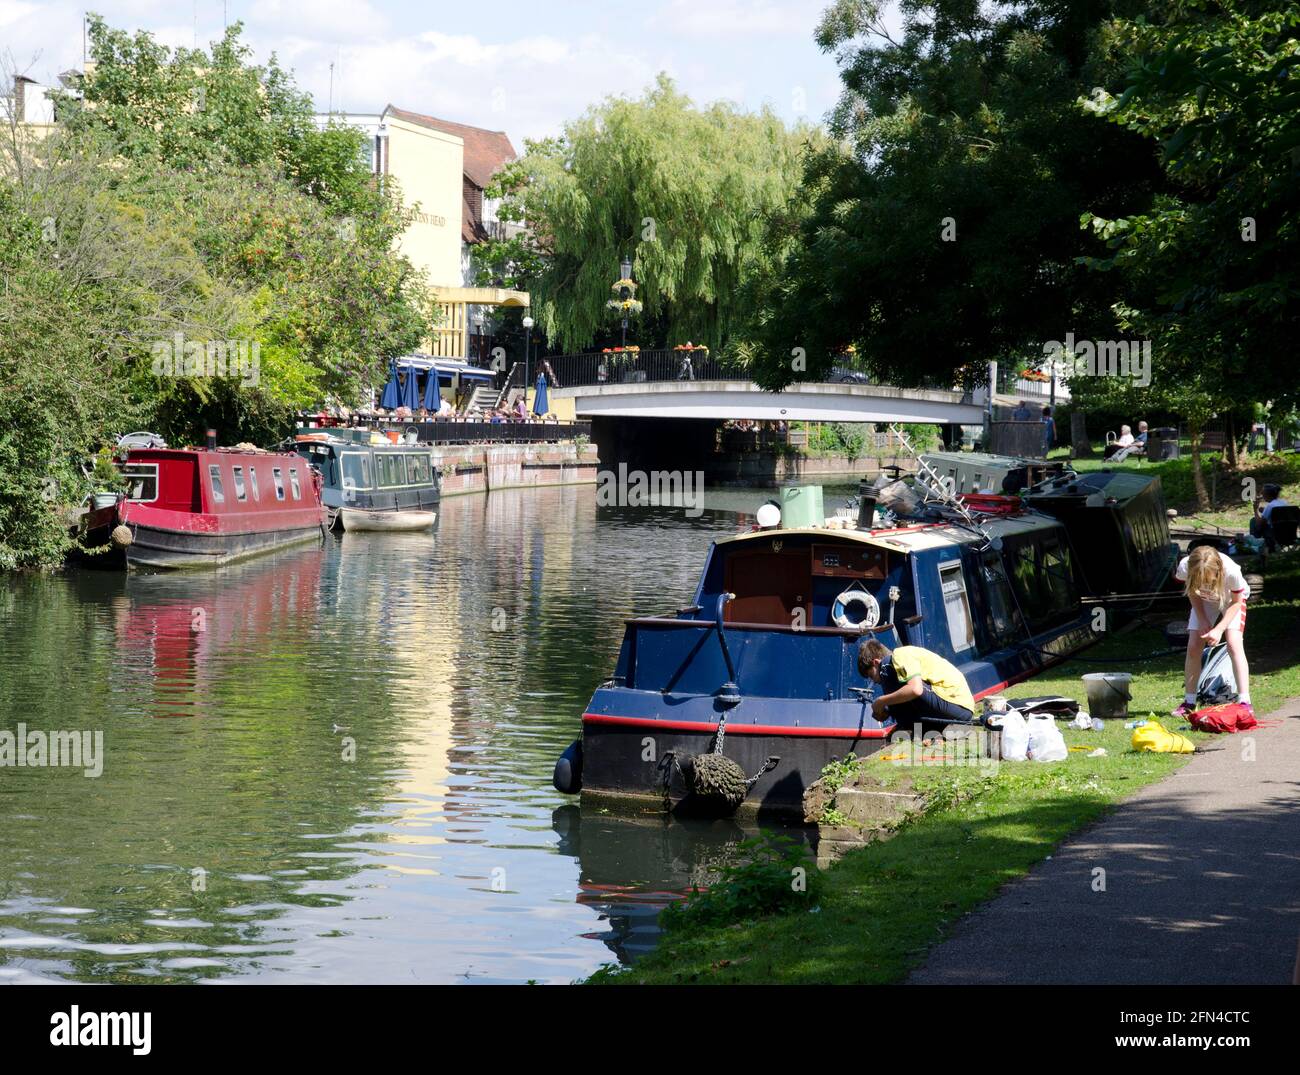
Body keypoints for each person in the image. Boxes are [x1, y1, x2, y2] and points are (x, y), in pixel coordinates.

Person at [1172, 545, 1252, 719]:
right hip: (1204, 600)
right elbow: (1193, 592)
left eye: (1207, 578)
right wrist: (1202, 620)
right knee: (1194, 646)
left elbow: (1237, 602)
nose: (1204, 582)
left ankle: (1245, 702)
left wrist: (1219, 629)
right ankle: (1189, 702)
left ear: (1218, 570)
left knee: (1233, 644)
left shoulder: (1231, 571)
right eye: (1200, 578)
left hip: (1230, 599)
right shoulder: (1186, 566)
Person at [858, 639, 976, 727]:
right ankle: (916, 729)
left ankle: (908, 728)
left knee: (887, 672)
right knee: (900, 684)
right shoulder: (901, 660)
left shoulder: (899, 655)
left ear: (876, 662)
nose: (874, 681)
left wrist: (881, 701)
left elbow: (916, 689)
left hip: (959, 707)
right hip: (955, 708)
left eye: (871, 675)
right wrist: (888, 711)